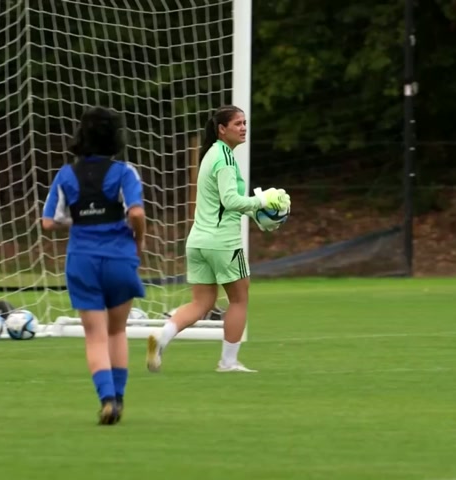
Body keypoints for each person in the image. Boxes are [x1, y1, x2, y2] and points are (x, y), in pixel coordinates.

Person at [146, 105, 288, 373]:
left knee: (202, 304)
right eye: (237, 123)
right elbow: (230, 201)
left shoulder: (212, 154)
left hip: (198, 241)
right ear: (221, 129)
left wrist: (257, 211)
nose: (243, 128)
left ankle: (160, 337)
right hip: (222, 243)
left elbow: (224, 204)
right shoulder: (224, 158)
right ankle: (228, 362)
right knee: (239, 300)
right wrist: (263, 201)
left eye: (245, 122)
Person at [41, 106, 146, 425]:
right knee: (117, 331)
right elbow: (137, 213)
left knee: (95, 336)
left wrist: (82, 218)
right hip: (119, 257)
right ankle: (120, 397)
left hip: (82, 260)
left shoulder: (65, 175)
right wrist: (138, 242)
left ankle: (106, 399)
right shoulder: (125, 172)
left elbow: (48, 222)